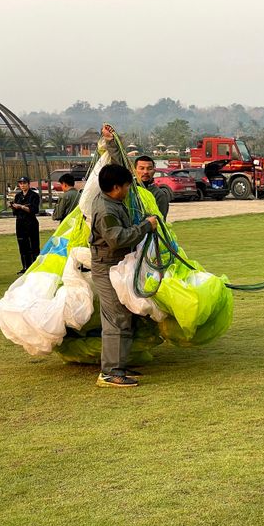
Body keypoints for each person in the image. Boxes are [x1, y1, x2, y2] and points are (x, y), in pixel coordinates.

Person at [89, 163, 158, 388]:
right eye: (127, 186)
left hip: (118, 265)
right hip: (107, 267)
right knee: (116, 318)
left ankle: (119, 365)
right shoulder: (106, 210)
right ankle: (109, 372)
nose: (129, 190)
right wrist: (145, 227)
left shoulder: (111, 199)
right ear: (116, 187)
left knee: (125, 315)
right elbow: (117, 239)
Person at [101, 125, 170, 219]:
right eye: (141, 168)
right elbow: (118, 164)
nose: (145, 172)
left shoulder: (159, 195)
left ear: (154, 171)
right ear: (134, 170)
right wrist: (110, 140)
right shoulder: (129, 188)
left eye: (149, 168)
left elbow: (160, 220)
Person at [10, 176, 41, 274]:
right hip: (20, 223)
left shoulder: (34, 196)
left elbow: (34, 210)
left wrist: (21, 207)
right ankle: (25, 267)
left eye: (24, 183)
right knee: (23, 246)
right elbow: (15, 212)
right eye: (20, 183)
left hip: (31, 223)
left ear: (28, 184)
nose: (22, 185)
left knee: (33, 245)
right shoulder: (18, 196)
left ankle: (34, 267)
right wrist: (13, 207)